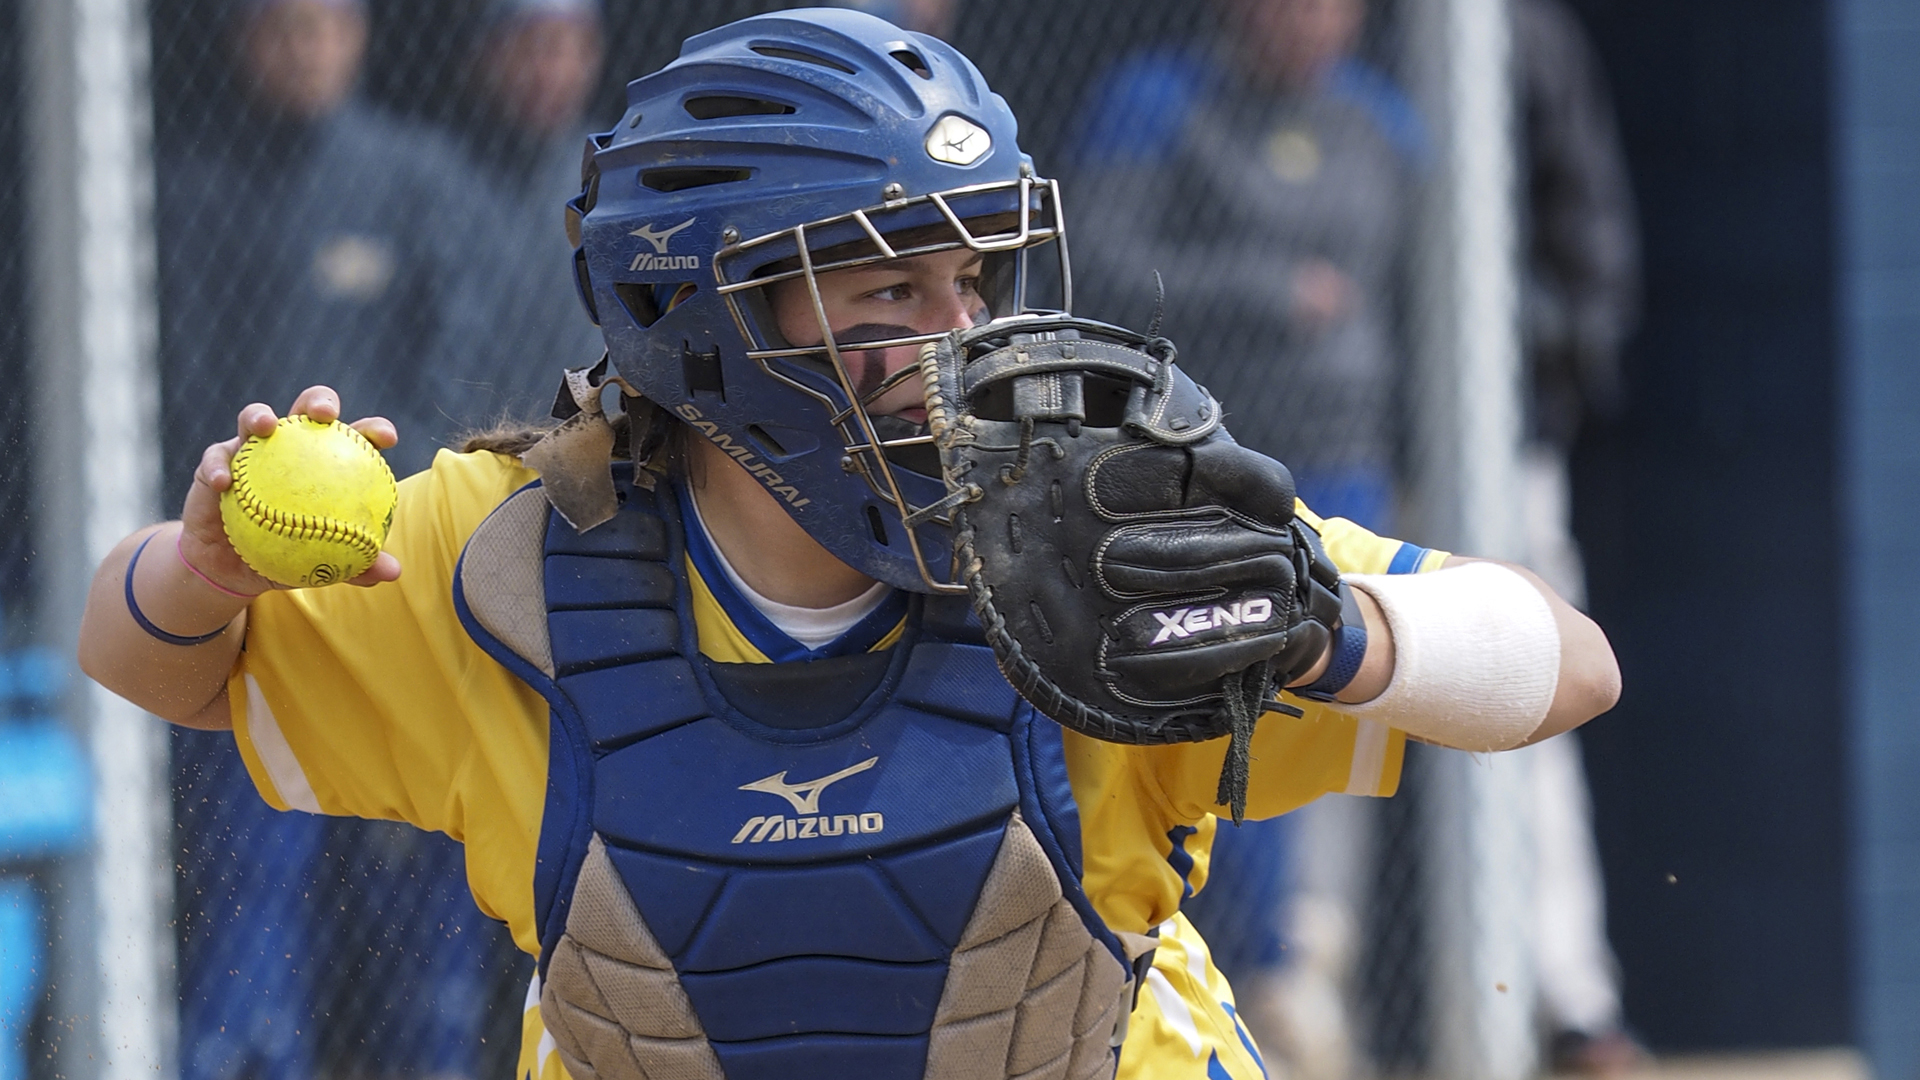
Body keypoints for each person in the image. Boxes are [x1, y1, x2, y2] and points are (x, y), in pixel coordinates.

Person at [81, 10, 1620, 1080]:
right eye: (886, 296)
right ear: (705, 318)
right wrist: (201, 571)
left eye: (971, 284)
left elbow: (1570, 666)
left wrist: (1336, 635)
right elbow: (152, 662)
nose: (957, 344)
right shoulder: (516, 565)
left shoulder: (1097, 514)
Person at [1068, 0, 1425, 1064]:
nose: (1315, 21)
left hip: (1351, 453)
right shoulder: (1159, 104)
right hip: (1216, 467)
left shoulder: (1381, 118)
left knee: (1352, 710)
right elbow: (1109, 261)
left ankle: (1313, 969)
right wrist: (1269, 292)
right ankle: (1254, 968)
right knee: (1233, 712)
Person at [153, 5, 507, 1079]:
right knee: (255, 880)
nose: (305, 49)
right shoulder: (185, 188)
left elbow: (460, 375)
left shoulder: (418, 176)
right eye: (280, 28)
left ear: (359, 35)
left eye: (325, 26)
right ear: (238, 40)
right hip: (243, 594)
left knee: (420, 879)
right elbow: (167, 387)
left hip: (397, 585)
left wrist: (398, 520)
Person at [1511, 0, 1644, 1072]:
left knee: (1534, 707)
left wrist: (1538, 373)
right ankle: (1302, 992)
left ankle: (1571, 1002)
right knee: (1299, 706)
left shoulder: (1518, 30)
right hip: (1347, 444)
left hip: (1502, 441)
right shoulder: (1348, 45)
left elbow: (1594, 245)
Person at [447, 0, 610, 425]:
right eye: (529, 47)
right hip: (457, 443)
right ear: (483, 56)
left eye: (566, 49)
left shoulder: (615, 177)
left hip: (593, 440)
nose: (547, 71)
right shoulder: (432, 176)